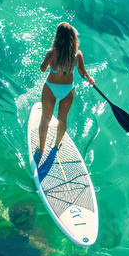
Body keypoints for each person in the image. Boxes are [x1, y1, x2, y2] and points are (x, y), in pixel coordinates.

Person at [33, 22, 95, 174]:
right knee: (62, 120)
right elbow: (82, 72)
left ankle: (41, 151)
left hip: (51, 88)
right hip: (68, 89)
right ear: (73, 38)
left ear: (58, 37)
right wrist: (89, 78)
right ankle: (56, 145)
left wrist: (51, 64)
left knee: (45, 120)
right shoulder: (77, 54)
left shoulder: (52, 52)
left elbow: (42, 69)